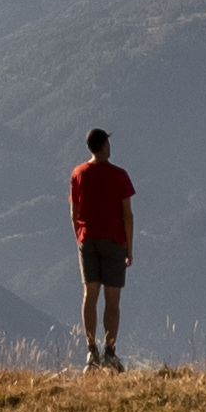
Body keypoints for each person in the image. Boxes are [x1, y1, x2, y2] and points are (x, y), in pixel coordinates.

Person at [68, 127, 135, 369]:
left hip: (87, 240)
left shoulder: (78, 173)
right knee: (112, 299)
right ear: (105, 145)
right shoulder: (119, 175)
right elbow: (127, 214)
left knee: (90, 295)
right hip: (114, 241)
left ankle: (91, 351)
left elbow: (74, 212)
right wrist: (129, 248)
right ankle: (110, 352)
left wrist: (80, 238)